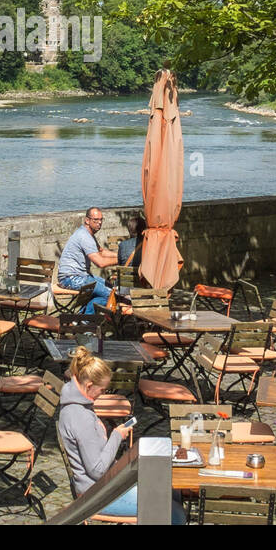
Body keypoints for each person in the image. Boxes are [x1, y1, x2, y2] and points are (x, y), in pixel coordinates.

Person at [56, 346, 184, 523]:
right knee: (172, 511)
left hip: (104, 485)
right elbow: (97, 470)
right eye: (102, 390)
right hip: (97, 495)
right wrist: (116, 435)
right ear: (89, 385)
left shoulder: (76, 405)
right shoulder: (80, 416)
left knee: (172, 491)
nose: (102, 394)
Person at [57, 207, 120, 314]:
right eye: (96, 220)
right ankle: (84, 320)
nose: (99, 222)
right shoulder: (84, 236)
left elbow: (101, 252)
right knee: (111, 295)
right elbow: (100, 262)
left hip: (80, 276)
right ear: (87, 220)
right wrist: (120, 259)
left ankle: (80, 317)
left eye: (101, 219)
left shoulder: (88, 234)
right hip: (71, 278)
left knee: (112, 288)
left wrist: (121, 255)